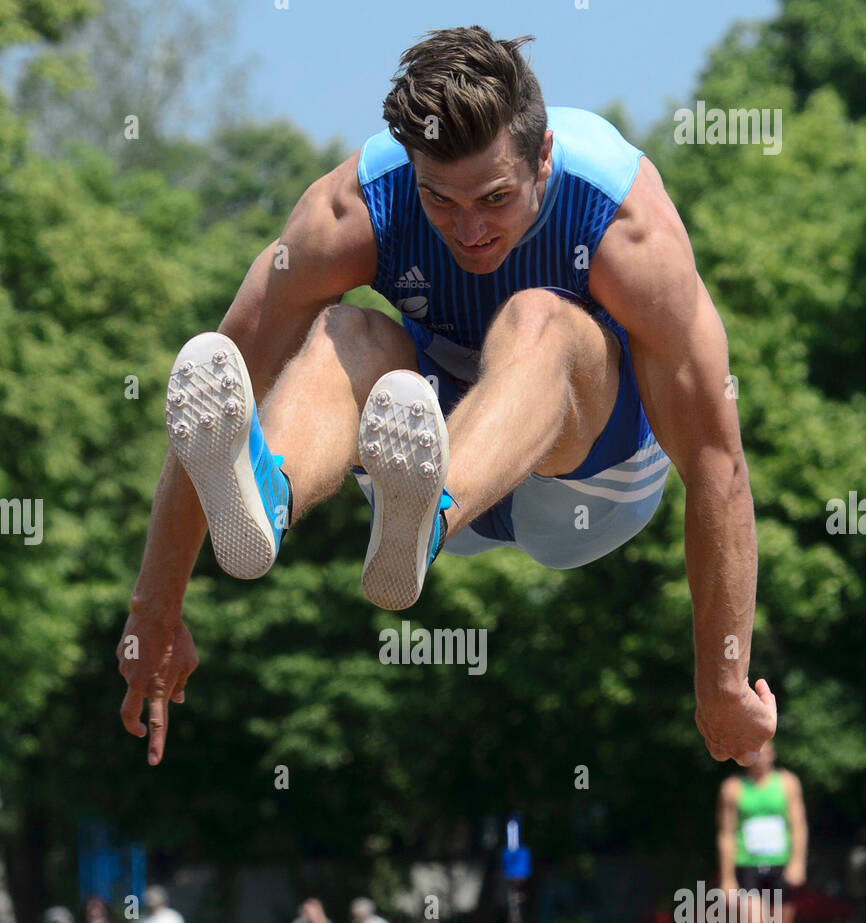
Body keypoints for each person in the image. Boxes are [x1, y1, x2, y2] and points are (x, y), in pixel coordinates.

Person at [117, 25, 776, 773]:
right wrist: (155, 612)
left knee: (542, 316)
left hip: (589, 485)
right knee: (347, 332)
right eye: (441, 200)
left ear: (545, 159)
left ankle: (431, 504)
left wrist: (722, 682)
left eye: (495, 199)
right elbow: (214, 397)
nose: (469, 229)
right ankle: (271, 496)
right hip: (423, 444)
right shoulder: (352, 210)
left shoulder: (626, 226)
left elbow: (718, 462)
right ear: (412, 168)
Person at [717, 741, 808, 923]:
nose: (759, 759)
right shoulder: (733, 789)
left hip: (780, 866)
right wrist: (727, 878)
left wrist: (797, 863)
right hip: (748, 867)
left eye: (764, 753)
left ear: (772, 755)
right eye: (754, 754)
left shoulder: (788, 783)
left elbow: (798, 824)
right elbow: (726, 834)